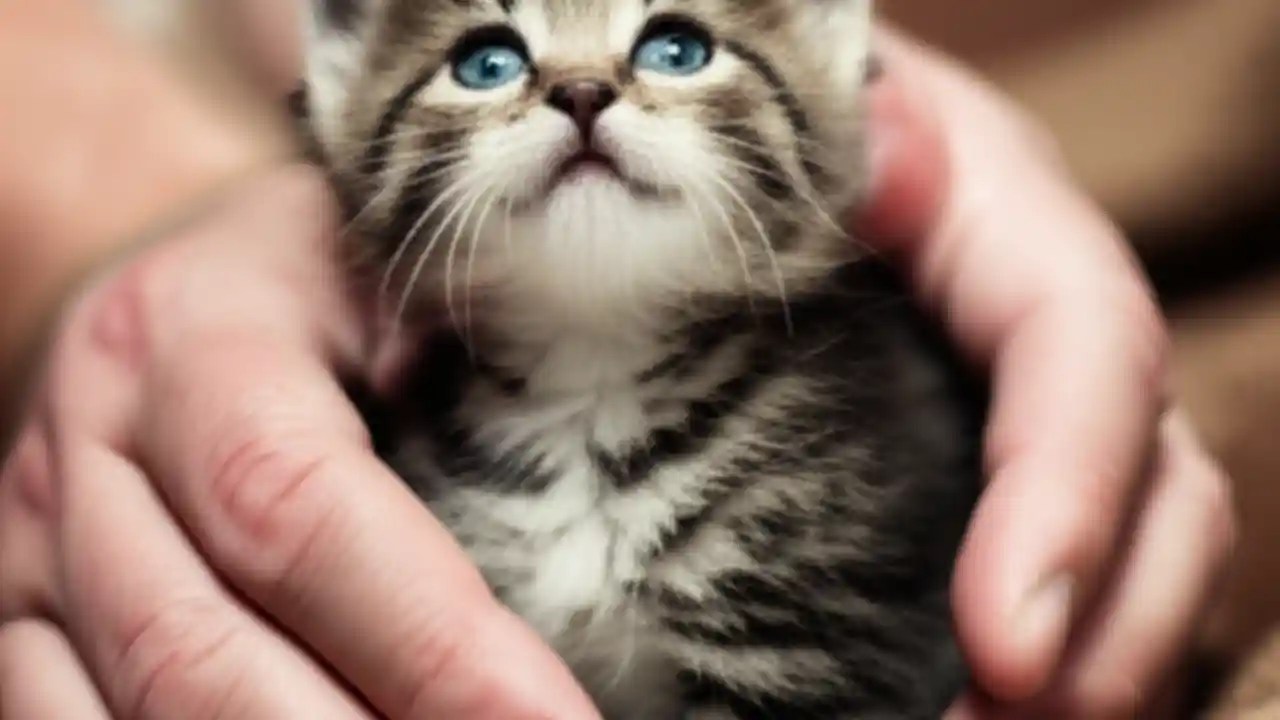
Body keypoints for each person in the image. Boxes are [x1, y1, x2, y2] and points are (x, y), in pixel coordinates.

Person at [0, 2, 1235, 718]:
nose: (581, 86)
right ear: (341, 99)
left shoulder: (836, 440)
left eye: (671, 40)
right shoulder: (396, 445)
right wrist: (109, 196)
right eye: (488, 59)